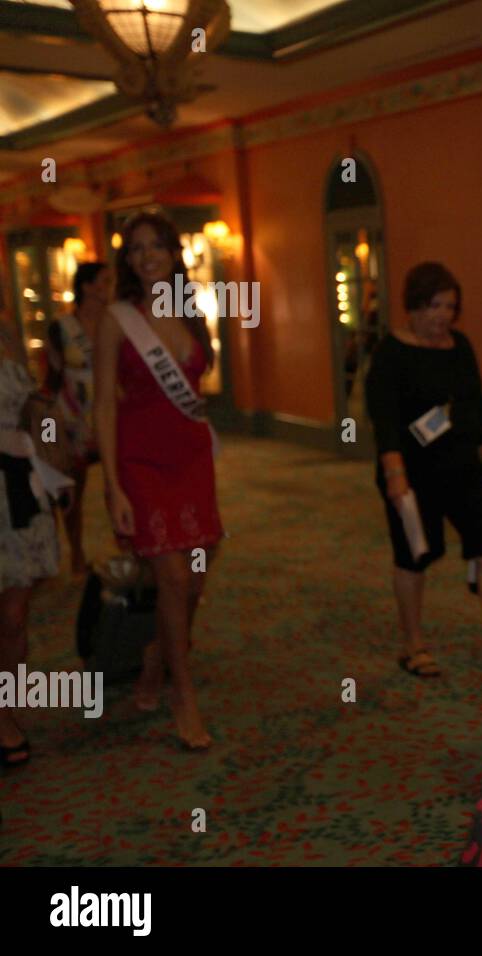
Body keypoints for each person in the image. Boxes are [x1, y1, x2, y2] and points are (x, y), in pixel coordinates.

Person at [94, 212, 223, 750]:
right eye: (136, 248)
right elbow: (103, 403)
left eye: (157, 246)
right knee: (170, 575)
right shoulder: (117, 319)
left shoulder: (191, 314)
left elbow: (199, 385)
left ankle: (155, 657)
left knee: (192, 579)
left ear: (173, 255)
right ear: (127, 260)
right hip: (141, 463)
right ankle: (182, 692)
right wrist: (113, 485)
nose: (147, 256)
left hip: (191, 460)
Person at [365, 262, 482, 681]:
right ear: (413, 306)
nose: (442, 315)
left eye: (449, 307)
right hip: (412, 471)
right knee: (414, 554)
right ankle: (413, 645)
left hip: (464, 463)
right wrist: (395, 476)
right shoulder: (390, 353)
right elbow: (384, 421)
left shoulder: (461, 346)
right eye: (433, 306)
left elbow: (476, 404)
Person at [0, 322, 62, 768]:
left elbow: (37, 416)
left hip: (17, 488)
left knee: (14, 615)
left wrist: (49, 442)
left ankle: (5, 708)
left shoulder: (7, 334)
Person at [47, 261, 113, 574]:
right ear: (86, 286)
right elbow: (52, 376)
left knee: (120, 479)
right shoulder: (62, 327)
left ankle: (126, 543)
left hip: (111, 407)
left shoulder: (117, 321)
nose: (110, 287)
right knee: (75, 483)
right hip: (73, 414)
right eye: (104, 281)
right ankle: (76, 550)